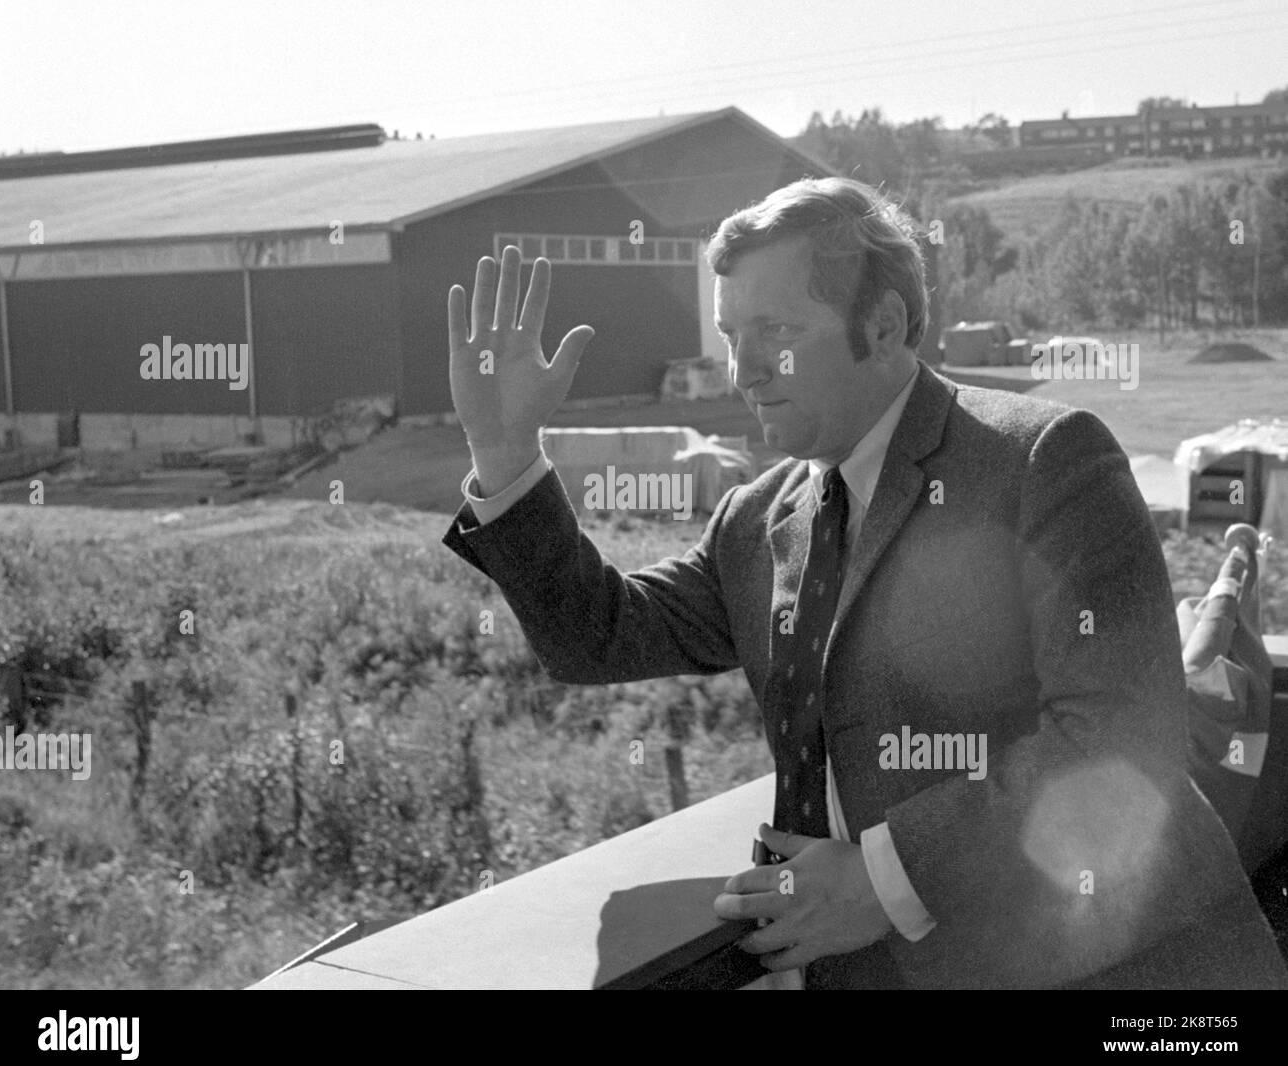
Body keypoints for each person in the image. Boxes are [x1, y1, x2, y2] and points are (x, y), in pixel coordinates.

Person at [441, 177, 1287, 989]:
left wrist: (881, 881)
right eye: (731, 337)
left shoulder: (1045, 460)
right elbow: (599, 635)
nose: (743, 372)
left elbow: (1123, 736)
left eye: (774, 333)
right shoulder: (755, 520)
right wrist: (507, 456)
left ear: (882, 325)